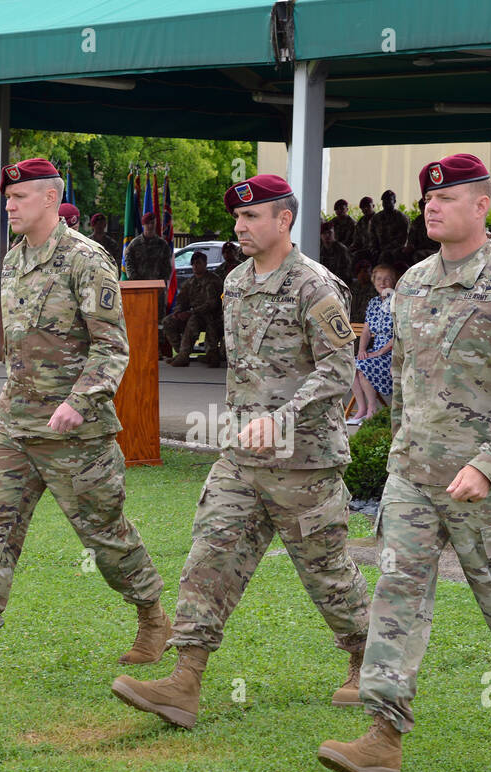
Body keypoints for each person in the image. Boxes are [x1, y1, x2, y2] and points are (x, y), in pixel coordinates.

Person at [316, 153, 491, 772]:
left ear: (482, 206)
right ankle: (382, 732)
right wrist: (396, 449)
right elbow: (406, 382)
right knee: (397, 593)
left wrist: (489, 463)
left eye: (448, 197)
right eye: (428, 198)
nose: (432, 205)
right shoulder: (411, 284)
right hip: (414, 475)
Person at [111, 174, 372, 729]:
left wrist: (282, 417)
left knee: (326, 573)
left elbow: (337, 368)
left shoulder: (315, 286)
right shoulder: (234, 283)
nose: (240, 226)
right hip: (241, 457)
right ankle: (184, 680)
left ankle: (366, 658)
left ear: (284, 221)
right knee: (211, 554)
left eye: (253, 217)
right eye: (238, 217)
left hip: (303, 461)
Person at [0, 159, 170, 683]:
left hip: (76, 433)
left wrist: (78, 401)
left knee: (104, 534)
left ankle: (153, 617)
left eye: (19, 197)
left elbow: (113, 346)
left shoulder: (86, 261)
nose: (9, 206)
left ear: (50, 199)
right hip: (15, 426)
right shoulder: (12, 261)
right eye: (7, 199)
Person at [349, 263, 397, 423]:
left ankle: (372, 407)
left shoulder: (398, 301)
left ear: (394, 282)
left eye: (387, 279)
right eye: (378, 279)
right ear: (373, 281)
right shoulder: (374, 303)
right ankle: (361, 409)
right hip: (375, 351)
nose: (382, 283)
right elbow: (366, 332)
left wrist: (380, 352)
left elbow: (399, 334)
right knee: (352, 365)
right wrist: (362, 349)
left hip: (392, 353)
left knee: (363, 367)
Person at [123, 211, 175, 357]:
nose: (151, 226)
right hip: (140, 289)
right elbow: (128, 262)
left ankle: (156, 348)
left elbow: (167, 266)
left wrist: (162, 282)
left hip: (157, 290)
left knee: (157, 320)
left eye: (153, 223)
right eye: (148, 223)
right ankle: (140, 347)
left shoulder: (162, 244)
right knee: (140, 318)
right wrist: (134, 280)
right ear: (143, 224)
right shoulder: (135, 244)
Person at [165, 250, 224, 367]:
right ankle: (182, 352)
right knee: (168, 321)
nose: (195, 266)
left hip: (213, 316)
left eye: (198, 263)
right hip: (195, 314)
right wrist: (178, 312)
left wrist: (191, 312)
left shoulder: (213, 280)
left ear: (205, 264)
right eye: (193, 264)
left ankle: (189, 355)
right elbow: (181, 300)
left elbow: (212, 304)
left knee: (193, 320)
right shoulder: (190, 282)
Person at [370, 189, 410, 266]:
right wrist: (374, 249)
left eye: (389, 200)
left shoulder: (402, 218)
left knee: (385, 255)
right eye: (384, 201)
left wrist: (385, 249)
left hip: (396, 249)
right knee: (361, 254)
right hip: (379, 249)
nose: (386, 203)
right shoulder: (376, 218)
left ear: (394, 201)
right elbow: (373, 237)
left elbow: (403, 240)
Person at [318, 218, 353, 285]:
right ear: (320, 236)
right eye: (324, 233)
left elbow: (346, 272)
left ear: (334, 233)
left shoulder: (341, 250)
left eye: (329, 233)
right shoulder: (320, 250)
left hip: (339, 283)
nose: (327, 236)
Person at [350, 195, 377, 266]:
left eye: (368, 206)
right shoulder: (361, 222)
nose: (365, 209)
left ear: (373, 206)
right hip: (364, 249)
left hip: (377, 249)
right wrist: (353, 247)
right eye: (363, 207)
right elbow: (357, 239)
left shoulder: (379, 218)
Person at [349, 257, 375, 326]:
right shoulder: (353, 287)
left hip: (365, 324)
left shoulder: (374, 288)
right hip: (352, 323)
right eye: (359, 272)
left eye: (366, 272)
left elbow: (365, 312)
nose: (363, 275)